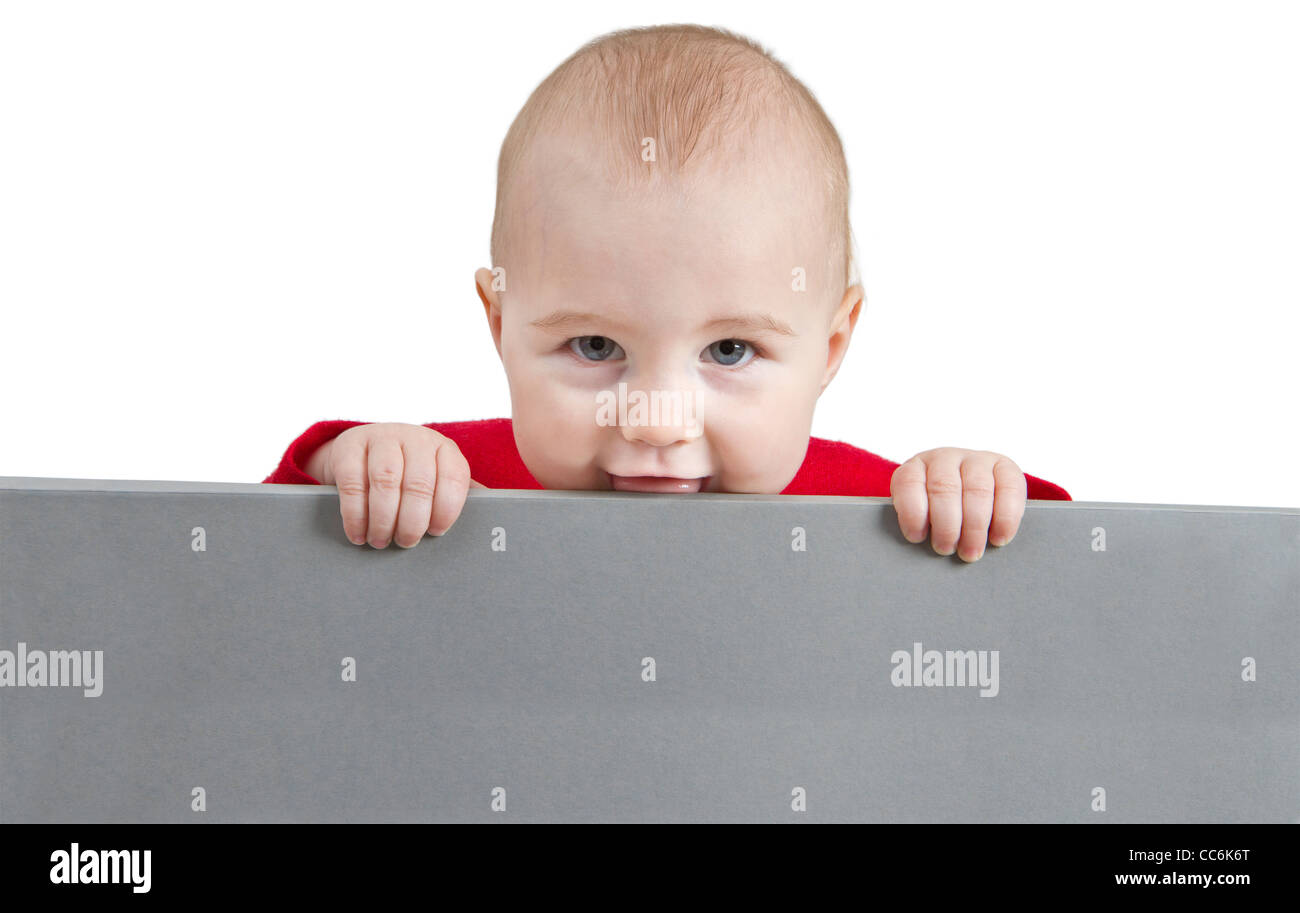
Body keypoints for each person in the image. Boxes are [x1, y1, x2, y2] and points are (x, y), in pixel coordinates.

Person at [264, 24, 1071, 564]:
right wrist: (360, 466)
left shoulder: (873, 513)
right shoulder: (459, 488)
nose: (656, 420)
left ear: (830, 348)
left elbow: (1070, 569)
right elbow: (247, 569)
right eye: (595, 346)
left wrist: (974, 496)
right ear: (501, 324)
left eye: (730, 350)